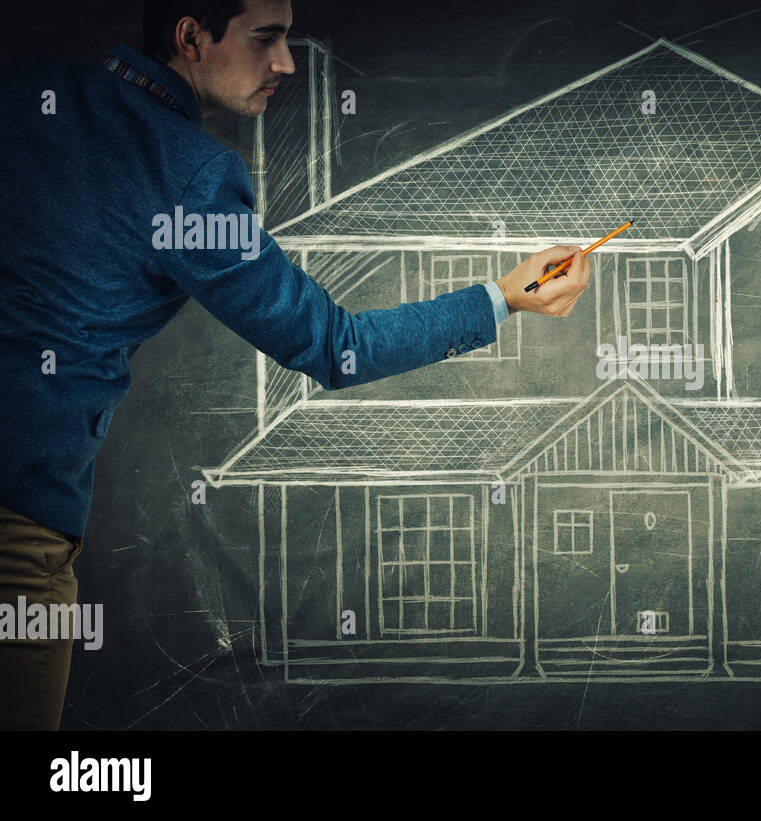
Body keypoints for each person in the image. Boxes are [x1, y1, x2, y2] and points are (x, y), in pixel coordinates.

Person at [0, 0, 590, 729]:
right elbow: (336, 345)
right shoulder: (189, 180)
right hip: (17, 532)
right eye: (265, 38)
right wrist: (506, 296)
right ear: (191, 36)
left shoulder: (24, 88)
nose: (286, 62)